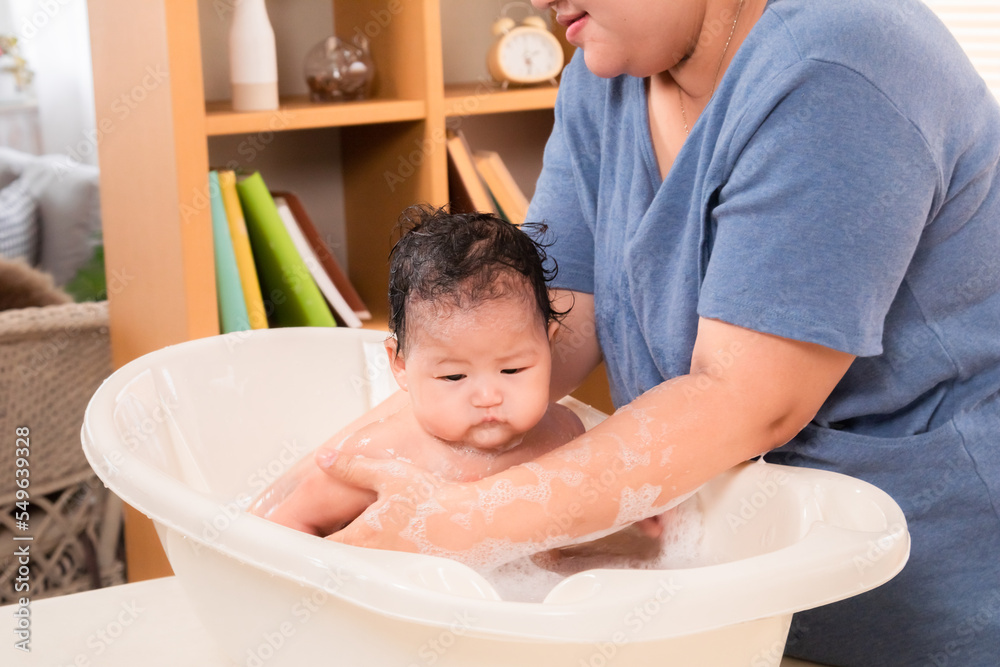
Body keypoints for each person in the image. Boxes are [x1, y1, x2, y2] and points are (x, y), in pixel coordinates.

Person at [311, 1, 1000, 664]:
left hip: (911, 602)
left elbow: (747, 399)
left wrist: (455, 523)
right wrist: (328, 492)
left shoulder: (843, 60)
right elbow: (523, 338)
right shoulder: (605, 74)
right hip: (716, 597)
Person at [251, 206, 664, 555]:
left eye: (513, 370)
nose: (487, 396)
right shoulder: (380, 456)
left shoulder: (564, 432)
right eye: (453, 375)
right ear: (400, 366)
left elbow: (594, 501)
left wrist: (638, 506)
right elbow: (283, 528)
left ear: (549, 347)